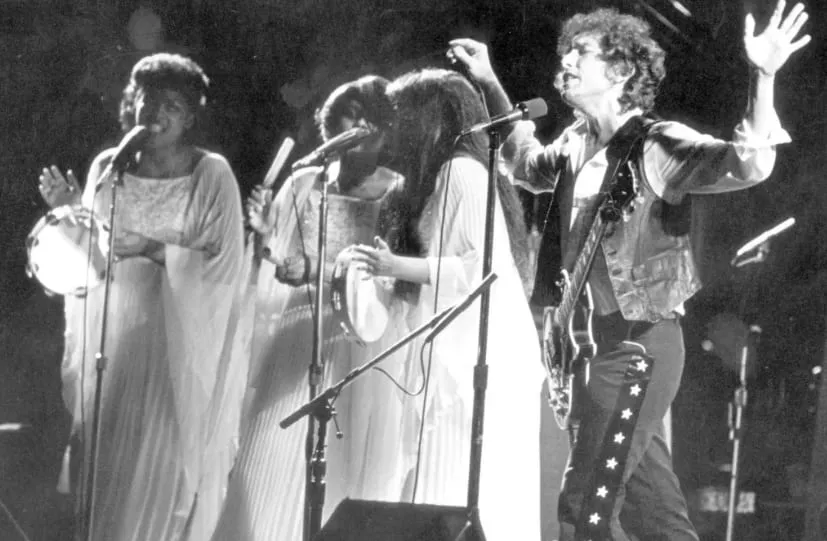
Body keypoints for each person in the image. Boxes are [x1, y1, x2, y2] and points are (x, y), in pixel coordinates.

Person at [448, 1, 810, 539]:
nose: (565, 61)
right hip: (591, 348)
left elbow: (748, 162)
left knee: (585, 506)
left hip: (640, 348)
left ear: (619, 72)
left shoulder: (658, 143)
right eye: (567, 52)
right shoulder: (574, 144)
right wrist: (489, 81)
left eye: (581, 53)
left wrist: (763, 77)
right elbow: (522, 163)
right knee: (655, 515)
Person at [37, 53, 247, 540]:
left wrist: (153, 249)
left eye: (172, 106)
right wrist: (70, 216)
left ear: (190, 117)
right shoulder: (107, 167)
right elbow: (91, 263)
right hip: (115, 342)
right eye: (148, 101)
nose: (156, 114)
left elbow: (225, 267)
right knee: (110, 477)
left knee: (162, 477)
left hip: (178, 347)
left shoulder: (212, 174)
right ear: (131, 103)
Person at [211, 74, 408, 541]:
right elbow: (283, 262)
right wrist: (266, 231)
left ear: (385, 129)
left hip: (358, 329)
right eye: (346, 117)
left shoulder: (397, 189)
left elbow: (389, 272)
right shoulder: (305, 180)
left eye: (366, 118)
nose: (355, 127)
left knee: (346, 464)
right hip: (300, 328)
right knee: (268, 449)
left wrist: (316, 269)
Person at [350, 68, 545, 540]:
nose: (395, 129)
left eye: (402, 116)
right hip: (459, 361)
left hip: (466, 368)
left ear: (433, 120)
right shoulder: (450, 174)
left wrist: (395, 265)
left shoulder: (461, 172)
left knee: (450, 491)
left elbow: (481, 269)